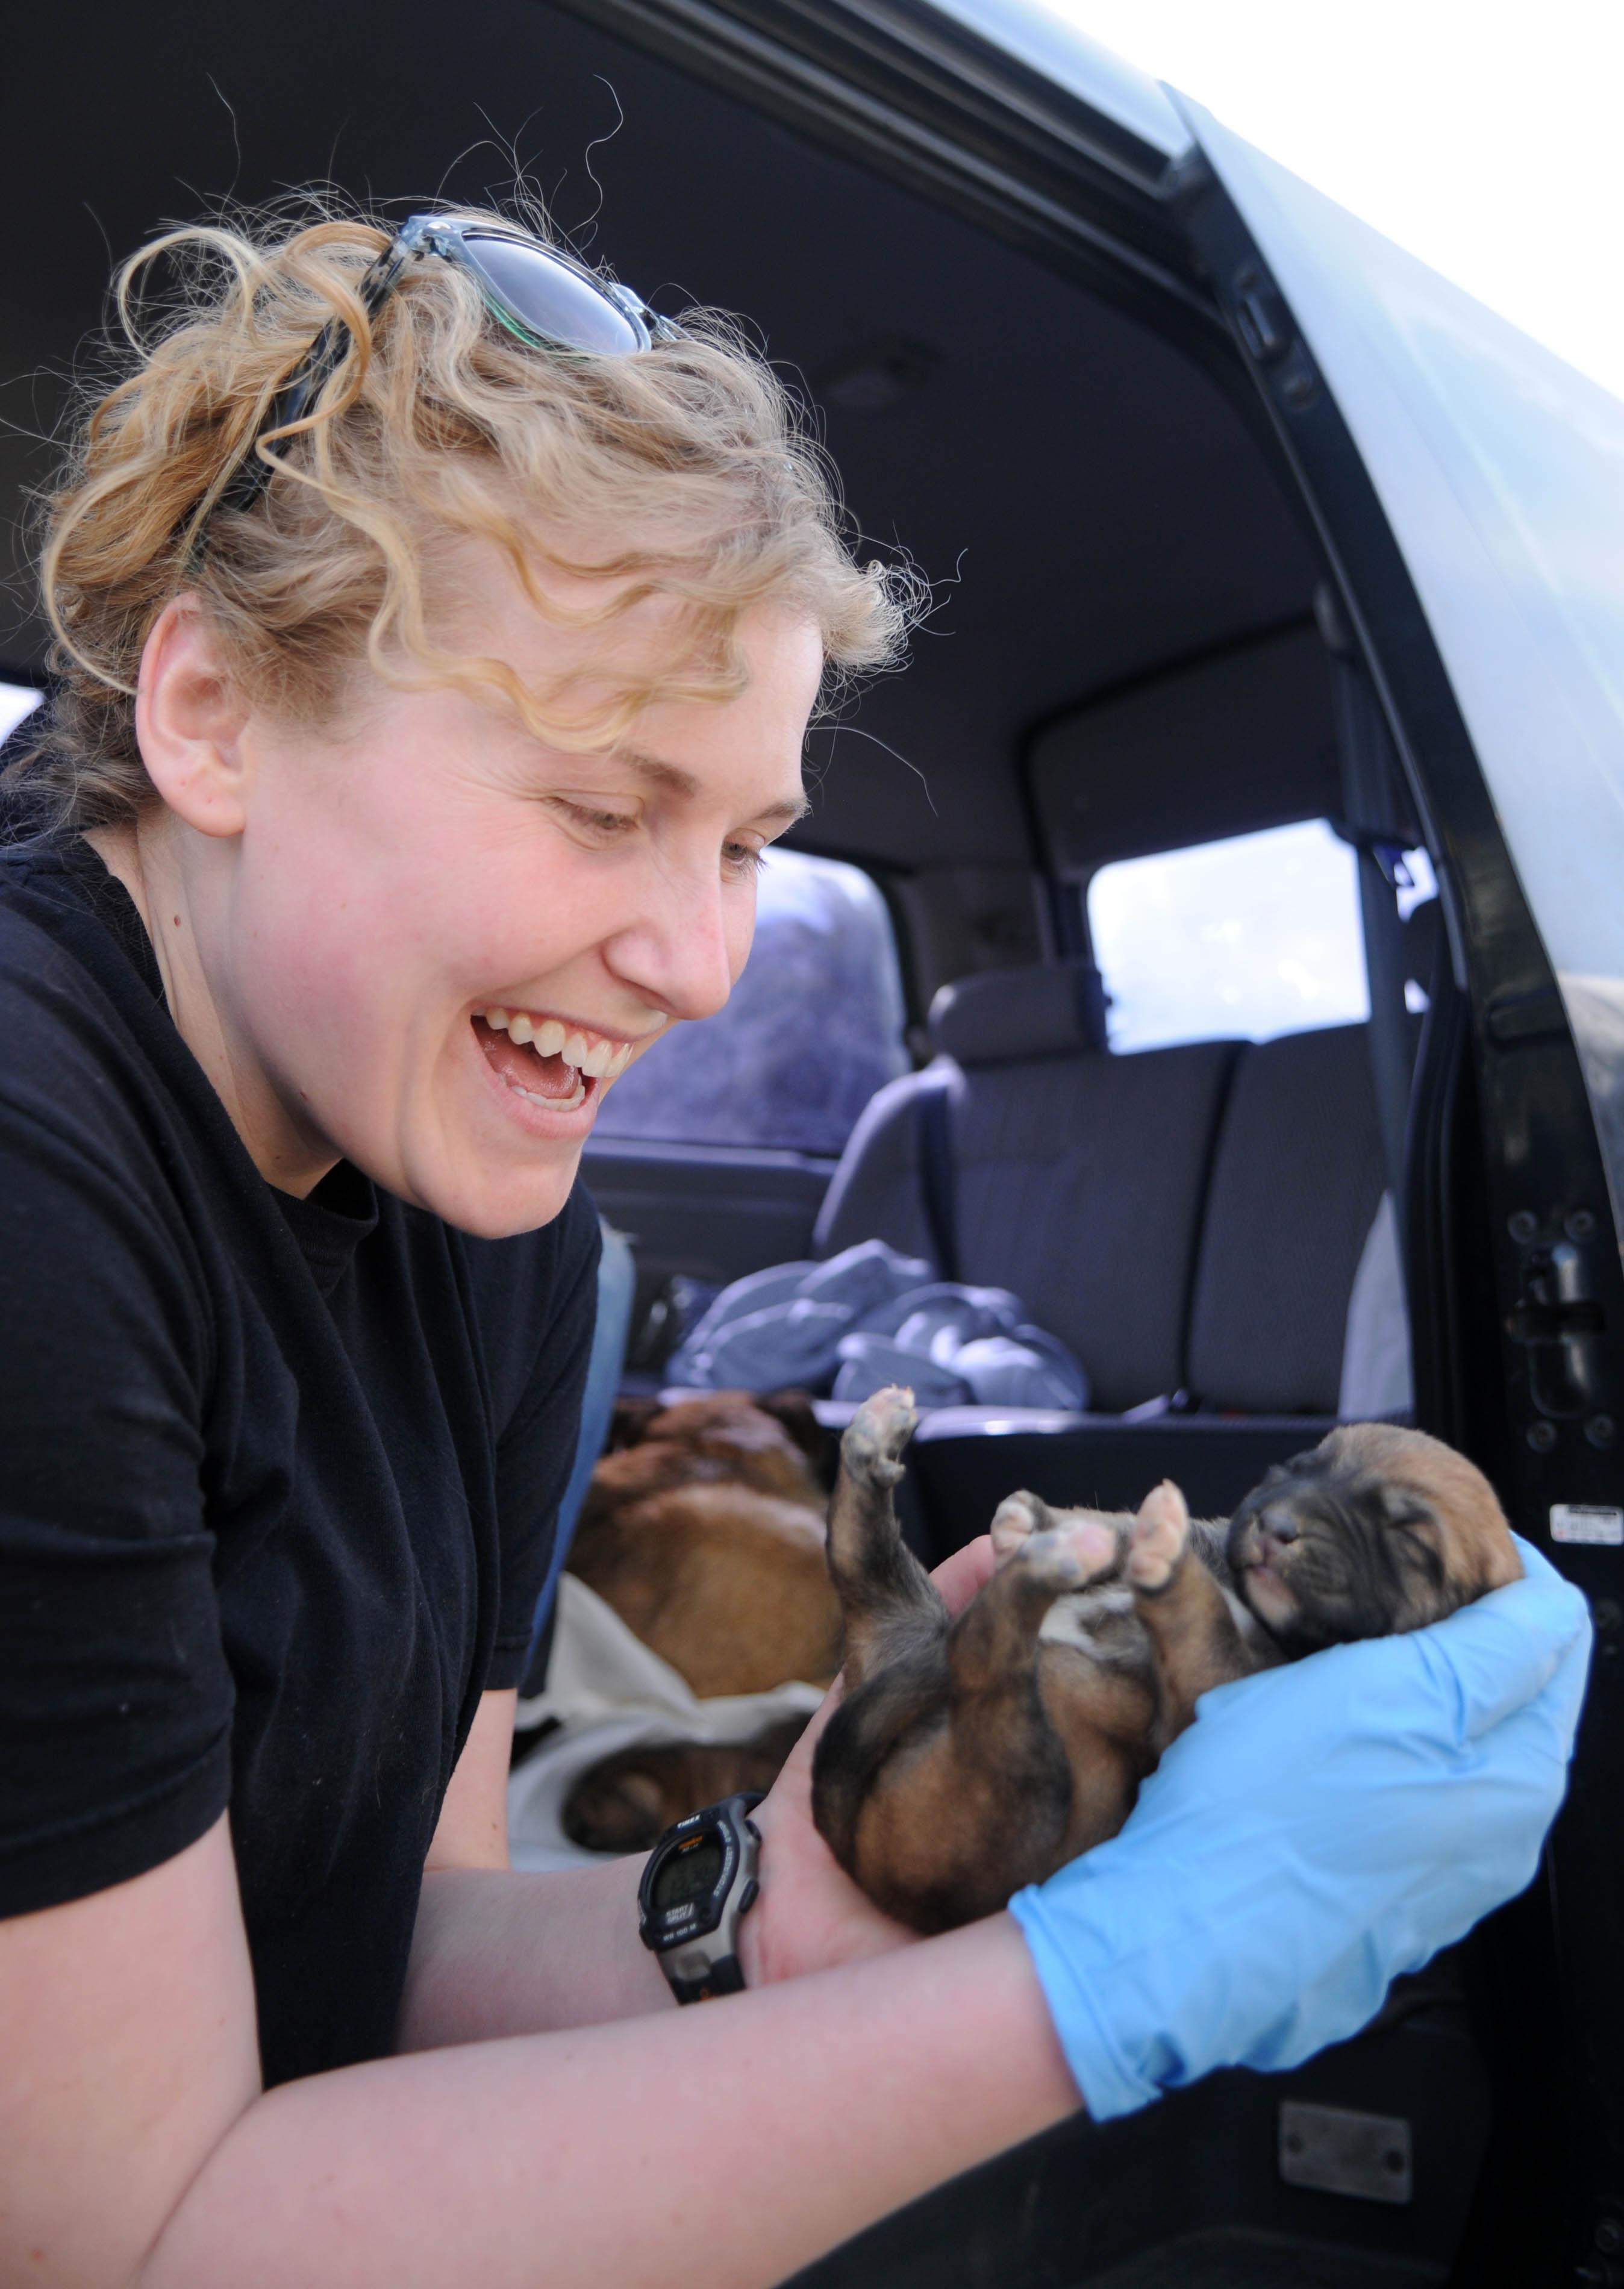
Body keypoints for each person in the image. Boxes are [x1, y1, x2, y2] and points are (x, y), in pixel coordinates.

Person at [0, 199, 1591, 2289]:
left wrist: (814, 1881)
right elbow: (130, 2243)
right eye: (599, 806)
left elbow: (404, 1937)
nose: (698, 961)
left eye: (747, 842)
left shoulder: (476, 1210)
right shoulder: (39, 1178)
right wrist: (1088, 1988)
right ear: (208, 715)